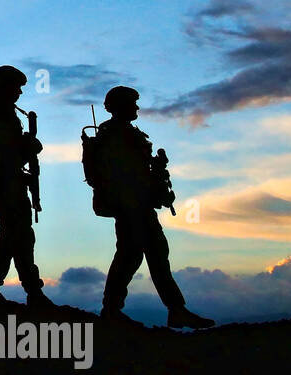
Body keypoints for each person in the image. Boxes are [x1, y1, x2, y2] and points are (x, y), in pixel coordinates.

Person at [91, 86, 214, 329]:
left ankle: (116, 310)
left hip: (136, 204)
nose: (136, 108)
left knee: (136, 255)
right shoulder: (116, 135)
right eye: (132, 103)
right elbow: (125, 174)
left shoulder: (123, 133)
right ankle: (169, 310)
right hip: (132, 205)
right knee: (144, 255)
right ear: (120, 106)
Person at [0, 66, 54, 309]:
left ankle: (16, 290)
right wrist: (26, 147)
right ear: (5, 86)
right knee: (14, 233)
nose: (20, 92)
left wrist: (25, 147)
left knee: (18, 234)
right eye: (16, 87)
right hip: (2, 177)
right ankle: (1, 289)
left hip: (10, 177)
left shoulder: (4, 111)